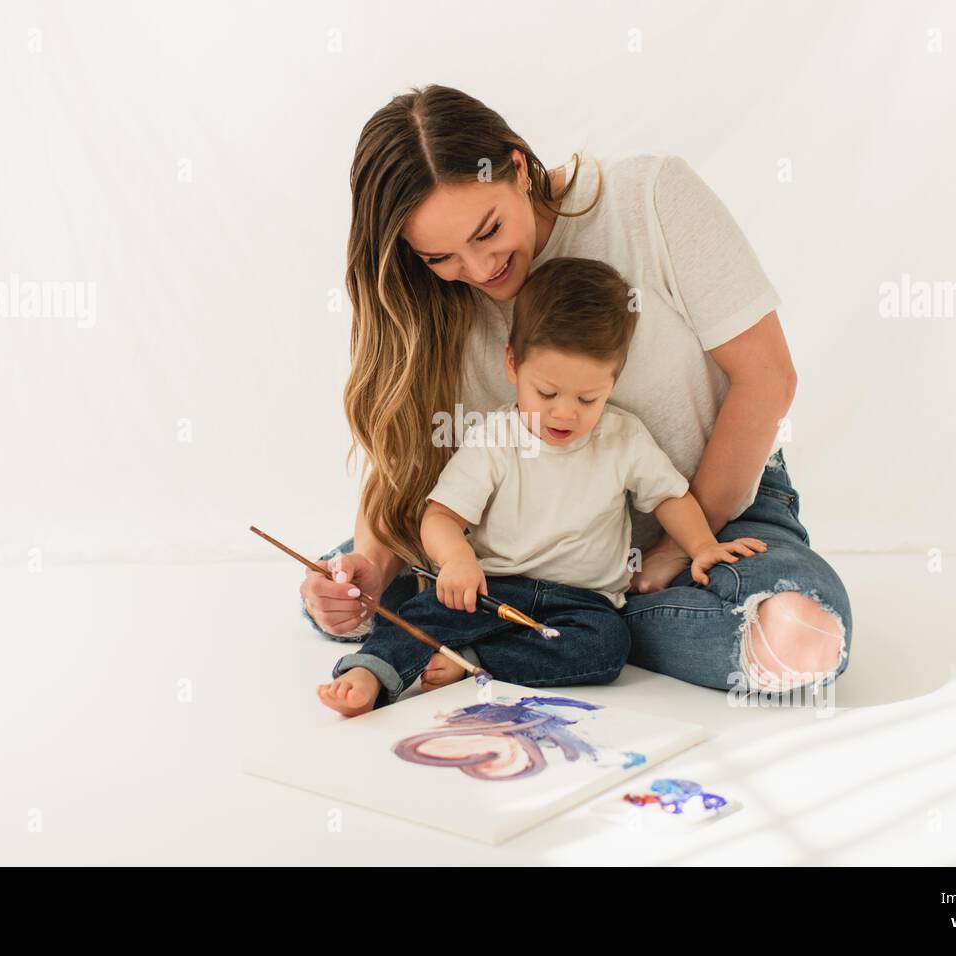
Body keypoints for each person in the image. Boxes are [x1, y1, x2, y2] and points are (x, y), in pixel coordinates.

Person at [301, 84, 851, 698]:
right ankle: (578, 628)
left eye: (488, 231)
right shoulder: (427, 300)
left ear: (517, 166)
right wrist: (370, 572)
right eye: (441, 257)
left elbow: (768, 377)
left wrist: (672, 550)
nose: (481, 270)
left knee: (805, 640)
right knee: (348, 589)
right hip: (517, 553)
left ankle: (545, 626)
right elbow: (407, 463)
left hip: (715, 509)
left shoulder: (647, 197)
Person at [317, 258, 765, 715]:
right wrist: (456, 559)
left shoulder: (624, 438)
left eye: (588, 398)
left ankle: (472, 661)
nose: (565, 414)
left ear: (615, 379)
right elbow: (442, 515)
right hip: (491, 589)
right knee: (425, 613)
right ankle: (370, 670)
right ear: (512, 363)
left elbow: (670, 496)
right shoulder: (494, 437)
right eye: (547, 394)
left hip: (582, 604)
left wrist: (703, 544)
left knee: (606, 648)